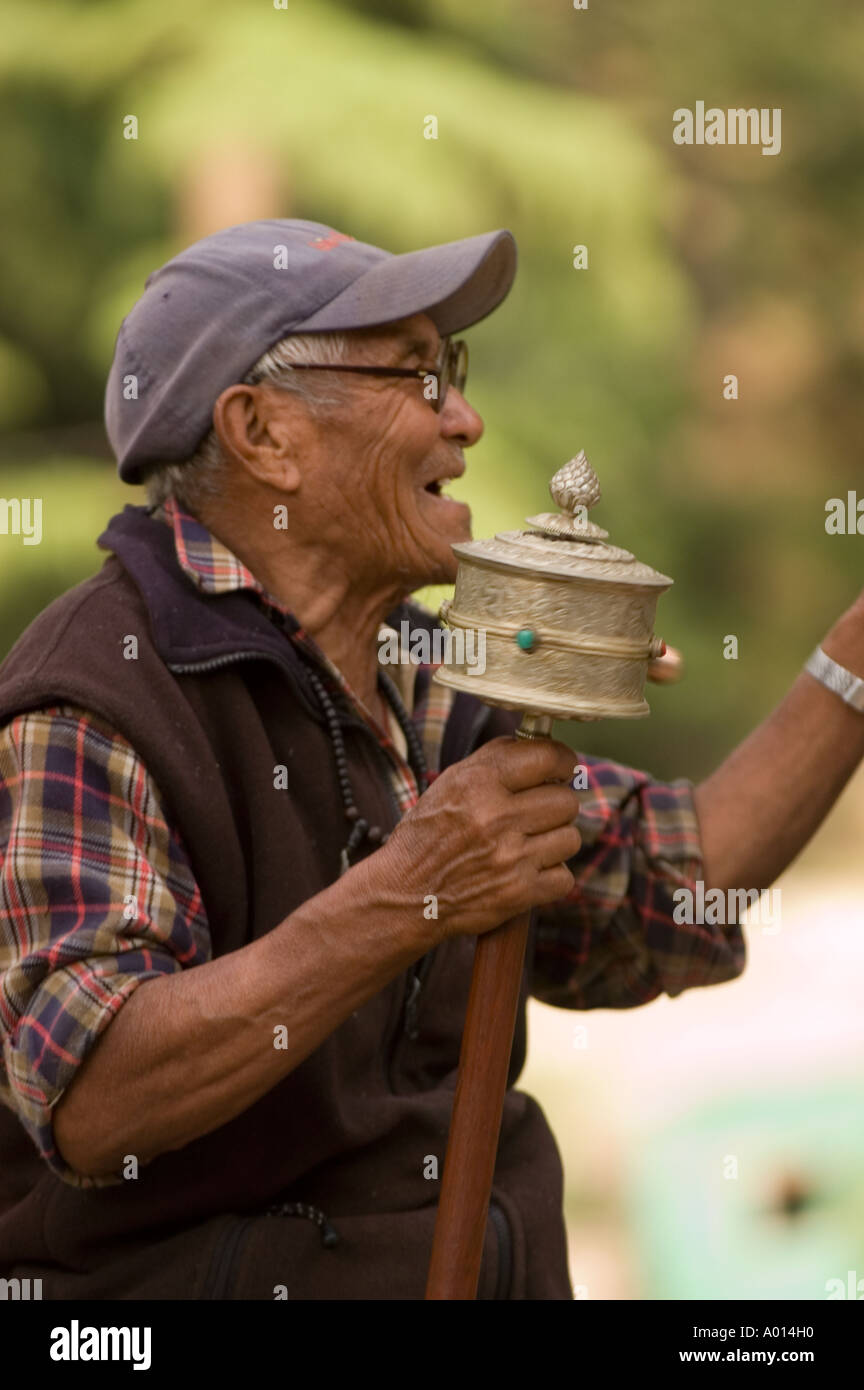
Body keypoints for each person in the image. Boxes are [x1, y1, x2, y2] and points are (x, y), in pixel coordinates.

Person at [1, 219, 863, 1300]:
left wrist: (852, 668)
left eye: (452, 371)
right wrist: (411, 893)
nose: (467, 419)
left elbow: (667, 891)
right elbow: (93, 1097)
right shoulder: (97, 698)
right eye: (418, 376)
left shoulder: (431, 671)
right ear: (265, 433)